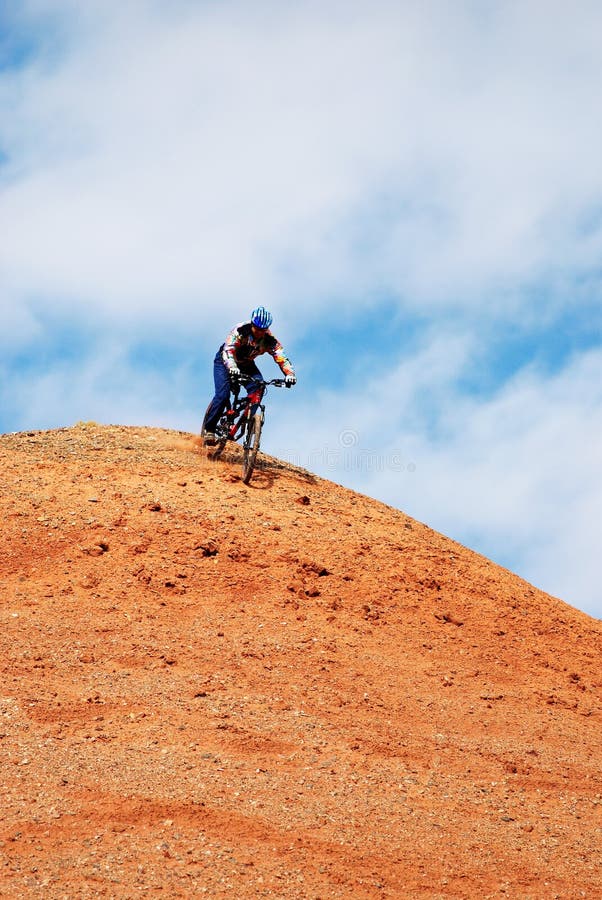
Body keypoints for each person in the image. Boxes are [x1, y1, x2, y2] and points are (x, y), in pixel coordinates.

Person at [202, 307, 296, 445]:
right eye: (256, 328)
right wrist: (232, 367)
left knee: (259, 387)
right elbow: (228, 351)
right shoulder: (240, 331)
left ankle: (248, 421)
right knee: (223, 395)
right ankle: (209, 429)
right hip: (225, 361)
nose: (259, 332)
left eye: (262, 330)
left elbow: (281, 356)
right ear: (252, 324)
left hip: (246, 364)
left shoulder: (269, 340)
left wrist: (290, 374)